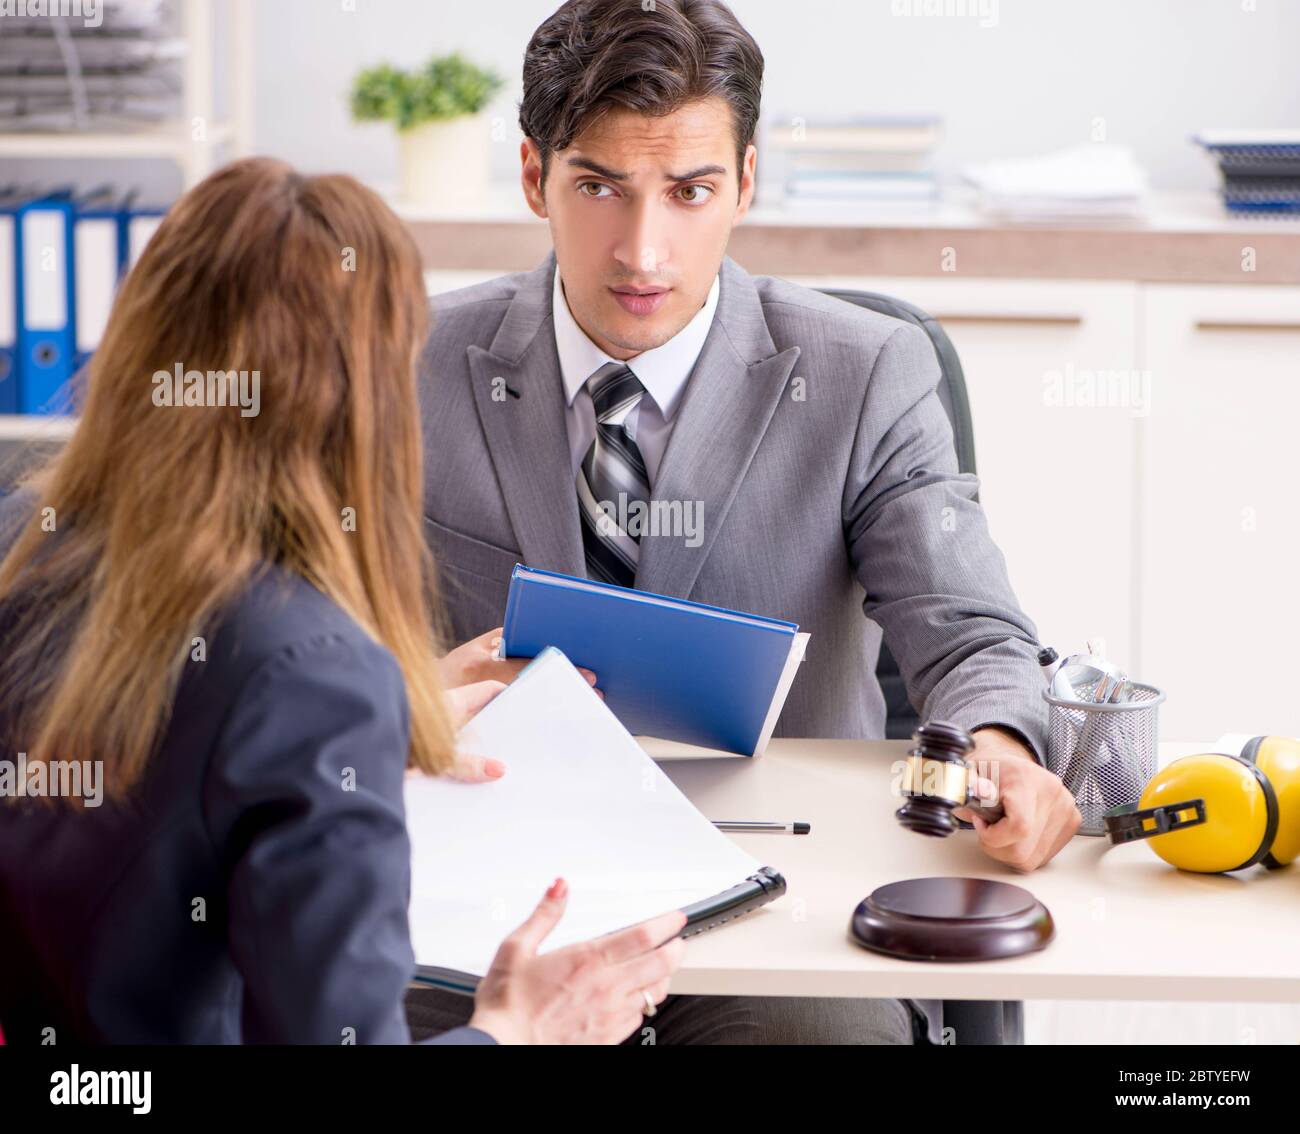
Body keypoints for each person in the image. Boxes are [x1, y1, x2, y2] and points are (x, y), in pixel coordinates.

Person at [418, 0, 1081, 1044]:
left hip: (780, 907)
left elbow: (968, 628)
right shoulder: (406, 363)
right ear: (534, 177)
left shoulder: (867, 372)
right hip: (492, 905)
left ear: (746, 183)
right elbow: (297, 646)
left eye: (690, 191)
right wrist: (402, 698)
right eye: (599, 187)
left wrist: (999, 747)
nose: (644, 250)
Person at [0, 157, 684, 1046]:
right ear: (366, 393)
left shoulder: (26, 537)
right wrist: (520, 1029)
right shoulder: (309, 674)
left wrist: (339, 754)